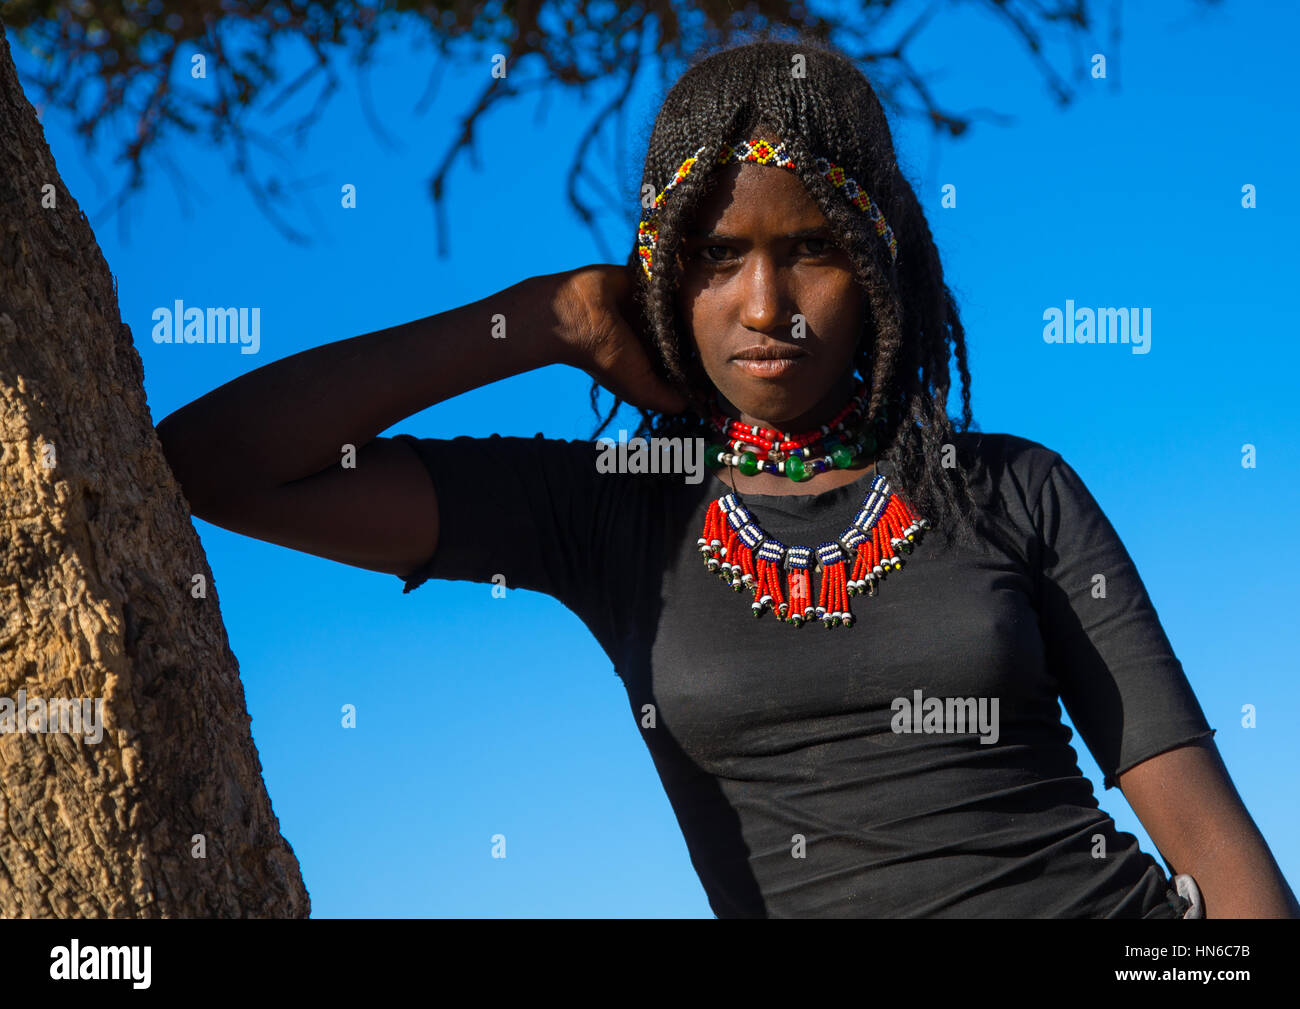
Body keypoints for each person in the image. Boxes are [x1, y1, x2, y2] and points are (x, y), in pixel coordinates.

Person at [154, 38, 1298, 919]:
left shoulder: (1008, 490)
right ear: (660, 277)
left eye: (811, 249)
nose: (764, 306)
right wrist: (547, 314)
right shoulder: (615, 508)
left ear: (880, 265)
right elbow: (213, 465)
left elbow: (1221, 868)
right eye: (714, 256)